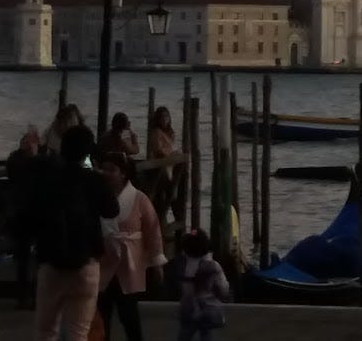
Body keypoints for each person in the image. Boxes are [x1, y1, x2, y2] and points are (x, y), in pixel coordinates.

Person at [34, 125, 119, 341]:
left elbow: (31, 213)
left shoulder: (48, 178)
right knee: (79, 333)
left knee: (46, 331)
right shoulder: (93, 180)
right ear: (87, 152)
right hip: (86, 261)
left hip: (51, 260)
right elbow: (111, 210)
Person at [95, 152, 166, 341]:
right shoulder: (96, 196)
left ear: (123, 173)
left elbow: (153, 230)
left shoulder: (139, 198)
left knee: (129, 312)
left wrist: (156, 262)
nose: (106, 173)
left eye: (112, 169)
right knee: (102, 311)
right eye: (104, 169)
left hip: (129, 262)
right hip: (104, 259)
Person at [6, 128, 43, 308]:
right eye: (27, 141)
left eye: (33, 141)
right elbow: (17, 173)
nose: (30, 145)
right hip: (22, 213)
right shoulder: (15, 159)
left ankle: (37, 296)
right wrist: (32, 157)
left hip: (39, 213)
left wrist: (37, 156)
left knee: (40, 258)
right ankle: (22, 296)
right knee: (23, 258)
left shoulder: (43, 158)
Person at [175, 228, 228, 341]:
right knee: (206, 334)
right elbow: (223, 289)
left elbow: (178, 285)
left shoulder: (182, 265)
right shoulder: (213, 266)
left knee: (184, 335)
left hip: (187, 309)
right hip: (208, 309)